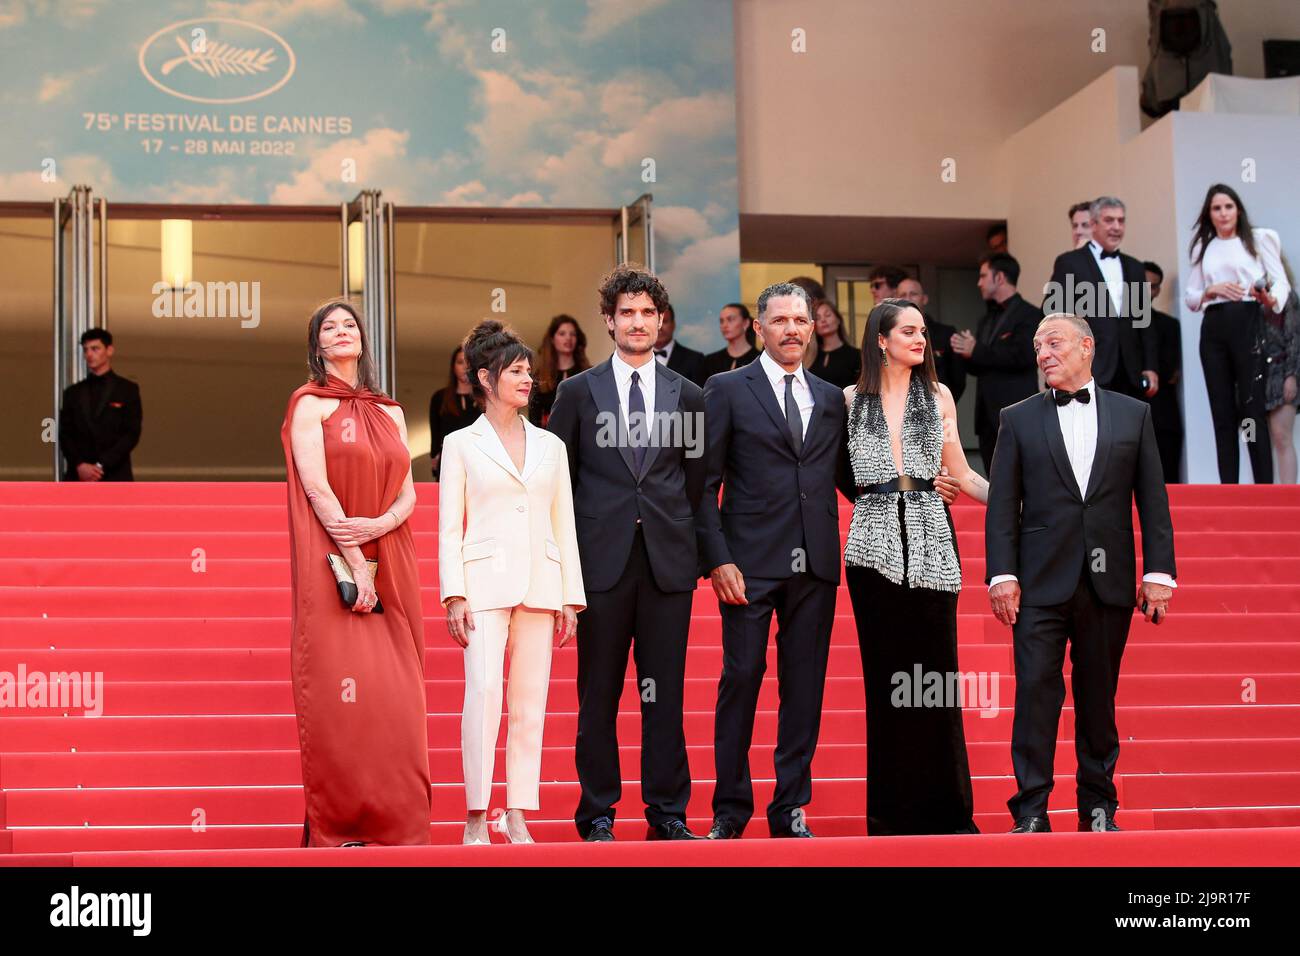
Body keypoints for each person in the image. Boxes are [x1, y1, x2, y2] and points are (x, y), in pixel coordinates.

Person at [696, 282, 958, 839]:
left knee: (805, 687)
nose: (792, 329)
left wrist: (915, 487)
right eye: (780, 320)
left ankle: (790, 808)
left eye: (802, 320)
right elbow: (704, 484)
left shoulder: (832, 396)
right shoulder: (725, 388)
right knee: (741, 679)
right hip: (746, 565)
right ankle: (730, 811)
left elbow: (851, 478)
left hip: (815, 565)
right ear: (759, 328)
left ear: (813, 329)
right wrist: (716, 558)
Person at [986, 314, 1176, 834]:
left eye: (1054, 343)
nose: (1043, 353)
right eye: (1037, 346)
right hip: (1039, 583)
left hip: (1108, 581)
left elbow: (1152, 500)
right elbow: (1003, 506)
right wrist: (1001, 575)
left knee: (1099, 697)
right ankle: (1031, 810)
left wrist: (1160, 572)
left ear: (1087, 347)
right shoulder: (1018, 418)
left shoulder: (1133, 414)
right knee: (1034, 695)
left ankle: (1098, 809)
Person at [548, 265, 707, 842]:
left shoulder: (689, 394)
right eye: (627, 313)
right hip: (600, 563)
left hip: (667, 563)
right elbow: (558, 482)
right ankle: (597, 814)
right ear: (610, 321)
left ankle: (668, 813)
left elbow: (695, 482)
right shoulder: (576, 392)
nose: (638, 323)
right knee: (600, 693)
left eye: (648, 313)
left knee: (664, 692)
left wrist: (684, 541)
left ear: (660, 322)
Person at [281, 297, 431, 846]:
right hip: (333, 562)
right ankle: (341, 823)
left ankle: (398, 822)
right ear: (316, 344)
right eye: (329, 327)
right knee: (341, 696)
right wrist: (355, 562)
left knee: (397, 695)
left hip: (390, 554)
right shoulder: (309, 406)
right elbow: (316, 487)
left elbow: (408, 491)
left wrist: (378, 527)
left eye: (349, 325)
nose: (341, 332)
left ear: (361, 340)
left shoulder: (389, 411)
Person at [439, 321, 585, 845]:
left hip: (542, 584)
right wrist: (452, 592)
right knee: (482, 694)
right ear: (486, 377)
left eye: (529, 372)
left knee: (531, 701)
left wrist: (571, 596)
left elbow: (563, 521)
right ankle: (477, 812)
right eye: (517, 372)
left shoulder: (551, 445)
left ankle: (518, 811)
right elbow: (449, 525)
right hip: (481, 584)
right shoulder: (460, 444)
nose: (529, 381)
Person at [843, 298, 984, 835]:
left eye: (923, 331)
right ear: (881, 339)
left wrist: (1020, 498)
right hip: (871, 547)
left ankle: (948, 813)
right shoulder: (849, 400)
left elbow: (963, 475)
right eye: (908, 331)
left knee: (936, 680)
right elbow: (836, 471)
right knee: (885, 683)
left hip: (931, 539)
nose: (921, 339)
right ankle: (890, 816)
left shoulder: (940, 394)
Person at [1184, 183, 1291, 484]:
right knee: (1222, 411)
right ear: (1209, 213)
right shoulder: (1202, 247)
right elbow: (1191, 298)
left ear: (1238, 209)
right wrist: (1210, 289)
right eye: (1216, 208)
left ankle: (1263, 487)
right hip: (1214, 325)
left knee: (1252, 408)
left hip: (1248, 320)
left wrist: (1269, 299)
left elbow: (1281, 285)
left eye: (1228, 206)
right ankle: (1228, 488)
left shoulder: (1259, 239)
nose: (1223, 213)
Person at [1046, 196, 1158, 400]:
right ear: (1094, 224)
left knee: (1129, 430)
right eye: (1109, 220)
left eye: (1121, 220)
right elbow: (1054, 317)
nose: (1116, 226)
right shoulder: (1069, 262)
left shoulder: (1134, 266)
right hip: (1088, 367)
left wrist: (1150, 367)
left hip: (1130, 371)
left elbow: (1144, 321)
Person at [950, 253, 1041, 474]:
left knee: (1023, 475)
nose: (979, 282)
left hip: (1017, 411)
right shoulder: (986, 319)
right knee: (994, 477)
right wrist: (965, 353)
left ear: (999, 277)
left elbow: (1024, 356)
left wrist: (977, 350)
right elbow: (983, 363)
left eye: (983, 276)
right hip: (986, 417)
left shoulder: (1030, 314)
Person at [59, 328, 142, 482]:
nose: (89, 354)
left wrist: (101, 465)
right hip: (78, 477)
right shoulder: (72, 393)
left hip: (115, 475)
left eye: (95, 349)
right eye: (86, 350)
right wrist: (80, 465)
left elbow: (132, 433)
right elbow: (65, 435)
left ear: (109, 350)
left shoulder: (127, 390)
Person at [1142, 261, 1185, 482]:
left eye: (1152, 286)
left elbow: (1169, 371)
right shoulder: (1114, 326)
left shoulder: (1169, 325)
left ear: (1158, 290)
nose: (1146, 290)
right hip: (1129, 417)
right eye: (1142, 284)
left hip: (1164, 416)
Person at [1261, 259, 1299, 485]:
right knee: (1254, 437)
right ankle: (1262, 497)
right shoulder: (1245, 300)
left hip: (1280, 371)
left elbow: (1294, 337)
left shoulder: (1288, 297)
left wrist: (1291, 375)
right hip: (1254, 376)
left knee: (1281, 435)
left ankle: (1289, 496)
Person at [898, 277, 966, 401]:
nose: (908, 299)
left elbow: (958, 380)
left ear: (924, 299)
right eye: (903, 295)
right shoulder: (891, 336)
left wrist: (944, 406)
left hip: (938, 408)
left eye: (913, 294)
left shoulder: (946, 333)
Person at [428, 346, 479, 480]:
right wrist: (435, 456)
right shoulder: (440, 397)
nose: (465, 367)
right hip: (448, 459)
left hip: (479, 461)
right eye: (460, 362)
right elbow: (435, 432)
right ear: (453, 366)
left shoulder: (485, 399)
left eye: (469, 363)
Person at [529, 314, 591, 427]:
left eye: (572, 334)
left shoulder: (588, 374)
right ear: (552, 339)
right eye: (562, 334)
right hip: (550, 438)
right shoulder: (540, 377)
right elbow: (534, 418)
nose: (568, 338)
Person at [698, 302, 761, 382]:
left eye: (730, 319)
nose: (724, 325)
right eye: (721, 321)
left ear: (746, 323)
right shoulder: (710, 361)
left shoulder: (759, 360)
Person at [809, 298, 862, 389]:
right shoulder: (808, 357)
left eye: (827, 315)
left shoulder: (856, 356)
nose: (823, 320)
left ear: (838, 320)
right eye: (818, 318)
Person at [653, 304, 705, 385]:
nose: (660, 327)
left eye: (665, 321)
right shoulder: (635, 358)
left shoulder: (695, 360)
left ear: (673, 324)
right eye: (655, 322)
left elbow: (700, 396)